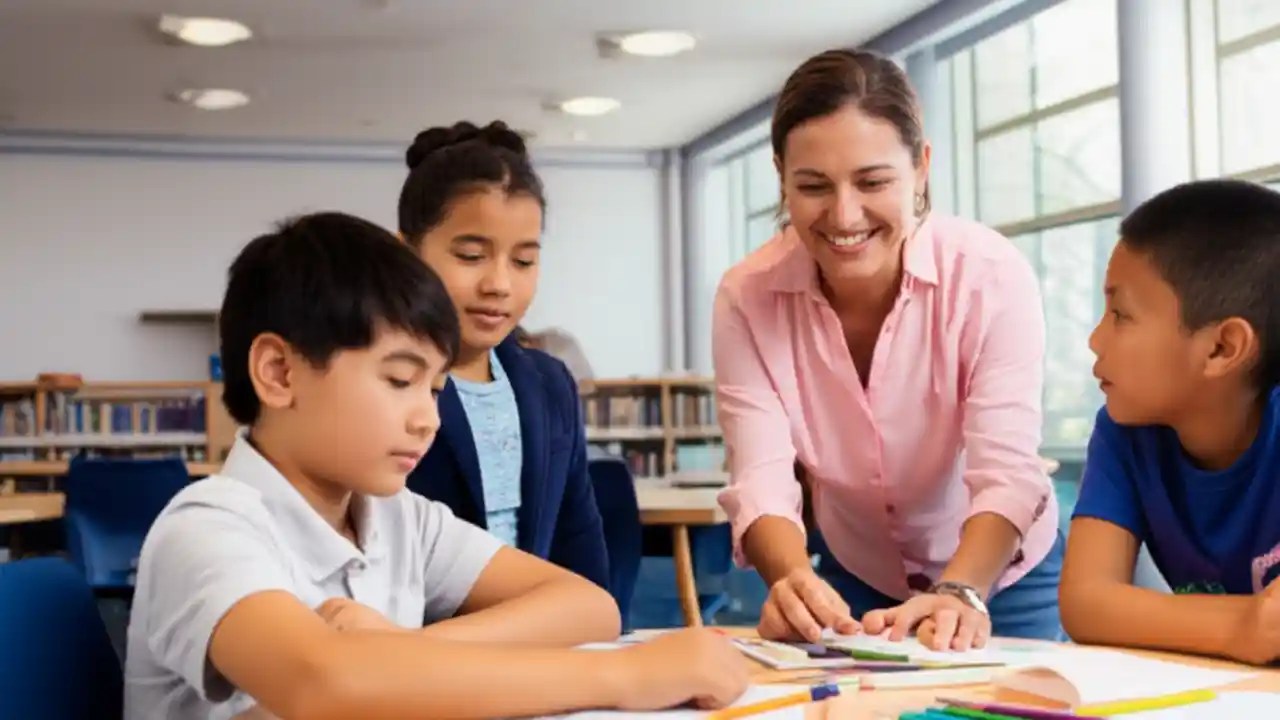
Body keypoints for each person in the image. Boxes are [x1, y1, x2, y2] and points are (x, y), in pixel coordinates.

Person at [123, 213, 748, 720]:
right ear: (279, 373)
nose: (428, 419)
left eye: (435, 390)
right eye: (399, 380)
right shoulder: (207, 529)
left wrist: (401, 653)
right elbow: (325, 684)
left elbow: (586, 604)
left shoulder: (398, 517)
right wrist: (624, 674)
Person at [713, 48, 1063, 651]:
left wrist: (960, 593)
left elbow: (1006, 471)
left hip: (999, 573)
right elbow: (761, 477)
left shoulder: (988, 274)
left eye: (873, 182)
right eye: (813, 186)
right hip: (859, 579)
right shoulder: (748, 297)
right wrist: (793, 580)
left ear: (921, 168)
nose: (844, 215)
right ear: (781, 176)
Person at [1060, 180, 1280, 665]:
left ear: (1222, 349)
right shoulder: (1125, 432)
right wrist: (1245, 626)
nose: (1095, 340)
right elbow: (1087, 602)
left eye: (1121, 315)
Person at [398, 121, 608, 589]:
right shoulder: (382, 383)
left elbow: (579, 540)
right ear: (406, 254)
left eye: (524, 261)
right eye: (471, 256)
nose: (499, 284)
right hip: (418, 646)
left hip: (543, 642)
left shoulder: (551, 383)